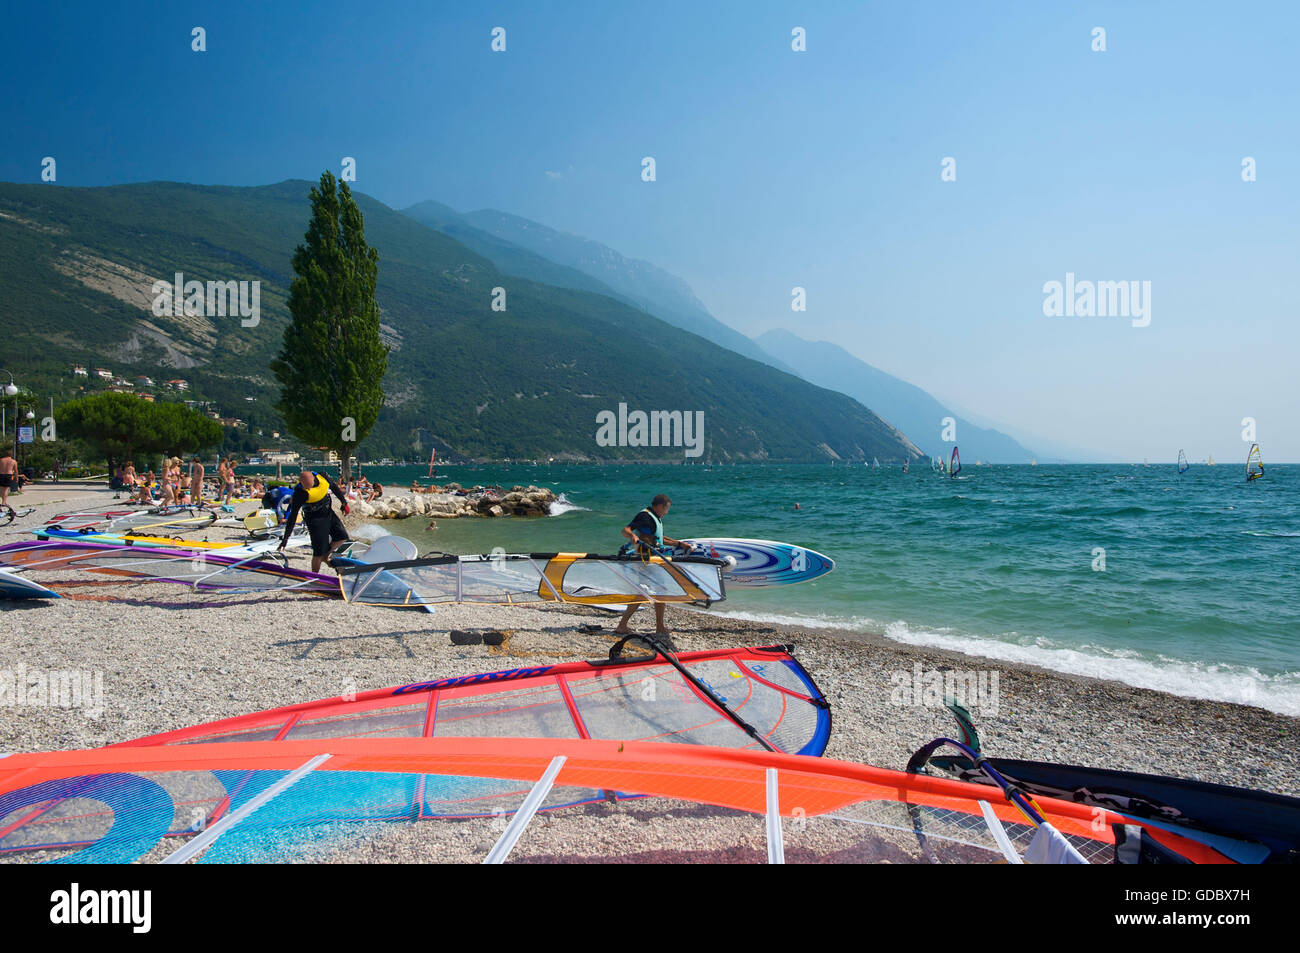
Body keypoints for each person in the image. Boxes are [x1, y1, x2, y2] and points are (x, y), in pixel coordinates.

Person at [612, 494, 692, 642]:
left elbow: (660, 539)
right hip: (644, 562)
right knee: (645, 592)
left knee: (657, 591)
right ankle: (623, 625)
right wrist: (632, 537)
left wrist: (680, 544)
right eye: (666, 509)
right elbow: (626, 530)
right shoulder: (645, 516)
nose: (666, 512)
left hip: (652, 561)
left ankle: (657, 625)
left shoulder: (655, 518)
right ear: (660, 506)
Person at [278, 468, 351, 572]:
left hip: (328, 512)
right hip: (314, 520)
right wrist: (286, 538)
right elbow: (293, 516)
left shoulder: (322, 476)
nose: (307, 489)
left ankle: (325, 556)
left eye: (308, 486)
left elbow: (334, 487)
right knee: (318, 552)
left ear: (313, 479)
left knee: (342, 537)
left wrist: (344, 503)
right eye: (305, 487)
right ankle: (314, 575)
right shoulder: (300, 492)